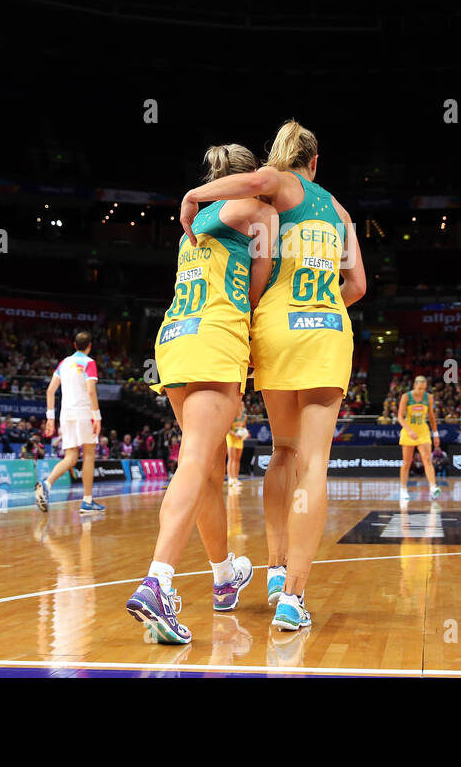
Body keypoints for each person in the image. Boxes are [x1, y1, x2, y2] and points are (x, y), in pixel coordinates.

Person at [172, 120, 366, 632]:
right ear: (316, 162)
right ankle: (292, 599)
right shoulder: (340, 211)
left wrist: (194, 194)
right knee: (315, 463)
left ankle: (275, 570)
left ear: (279, 160)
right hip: (326, 328)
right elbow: (359, 285)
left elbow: (255, 184)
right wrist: (326, 311)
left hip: (275, 326)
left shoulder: (277, 185)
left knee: (282, 451)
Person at [125, 144, 278, 644]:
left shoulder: (192, 227)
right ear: (248, 175)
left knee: (209, 468)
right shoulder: (258, 209)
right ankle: (158, 581)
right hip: (216, 338)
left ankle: (223, 575)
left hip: (174, 340)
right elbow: (256, 292)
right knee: (194, 460)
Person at [38, 332, 105, 514]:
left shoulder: (63, 363)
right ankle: (87, 501)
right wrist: (97, 417)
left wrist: (50, 418)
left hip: (65, 415)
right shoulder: (89, 363)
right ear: (89, 346)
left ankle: (47, 484)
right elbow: (91, 391)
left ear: (75, 345)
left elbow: (50, 391)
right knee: (89, 455)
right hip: (84, 412)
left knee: (71, 457)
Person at [397, 376, 442, 502]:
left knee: (427, 459)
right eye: (420, 388)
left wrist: (436, 433)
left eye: (424, 388)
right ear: (415, 385)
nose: (422, 390)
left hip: (423, 431)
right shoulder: (406, 396)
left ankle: (433, 488)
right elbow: (400, 417)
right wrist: (409, 430)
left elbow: (432, 417)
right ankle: (403, 489)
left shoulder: (429, 397)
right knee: (407, 462)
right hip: (408, 430)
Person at [225, 399, 248, 488]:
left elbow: (244, 427)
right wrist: (235, 434)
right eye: (240, 405)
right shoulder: (232, 415)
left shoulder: (244, 416)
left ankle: (236, 478)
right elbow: (228, 428)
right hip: (231, 437)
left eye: (242, 405)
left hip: (239, 438)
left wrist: (244, 433)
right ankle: (231, 478)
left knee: (237, 459)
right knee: (232, 458)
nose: (242, 407)